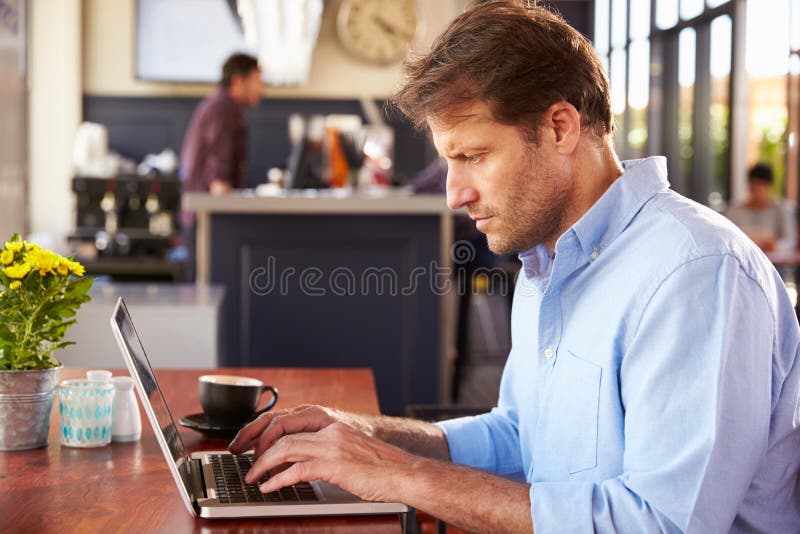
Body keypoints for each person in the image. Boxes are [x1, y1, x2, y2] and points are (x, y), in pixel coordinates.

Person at [229, 2, 800, 532]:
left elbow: (659, 525)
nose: (454, 193)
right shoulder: (546, 258)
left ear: (559, 128)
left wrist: (396, 474)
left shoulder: (696, 273)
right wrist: (367, 434)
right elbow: (519, 436)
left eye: (472, 156)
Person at [179, 52, 264, 280]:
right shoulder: (223, 109)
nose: (262, 89)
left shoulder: (220, 106)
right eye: (258, 81)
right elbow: (219, 176)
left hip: (198, 217)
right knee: (206, 293)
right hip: (205, 221)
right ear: (238, 81)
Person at [725, 162, 795, 253]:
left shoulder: (780, 210)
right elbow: (726, 237)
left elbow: (789, 241)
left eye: (762, 184)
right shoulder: (734, 210)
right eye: (754, 184)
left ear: (769, 186)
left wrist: (776, 246)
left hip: (773, 264)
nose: (757, 189)